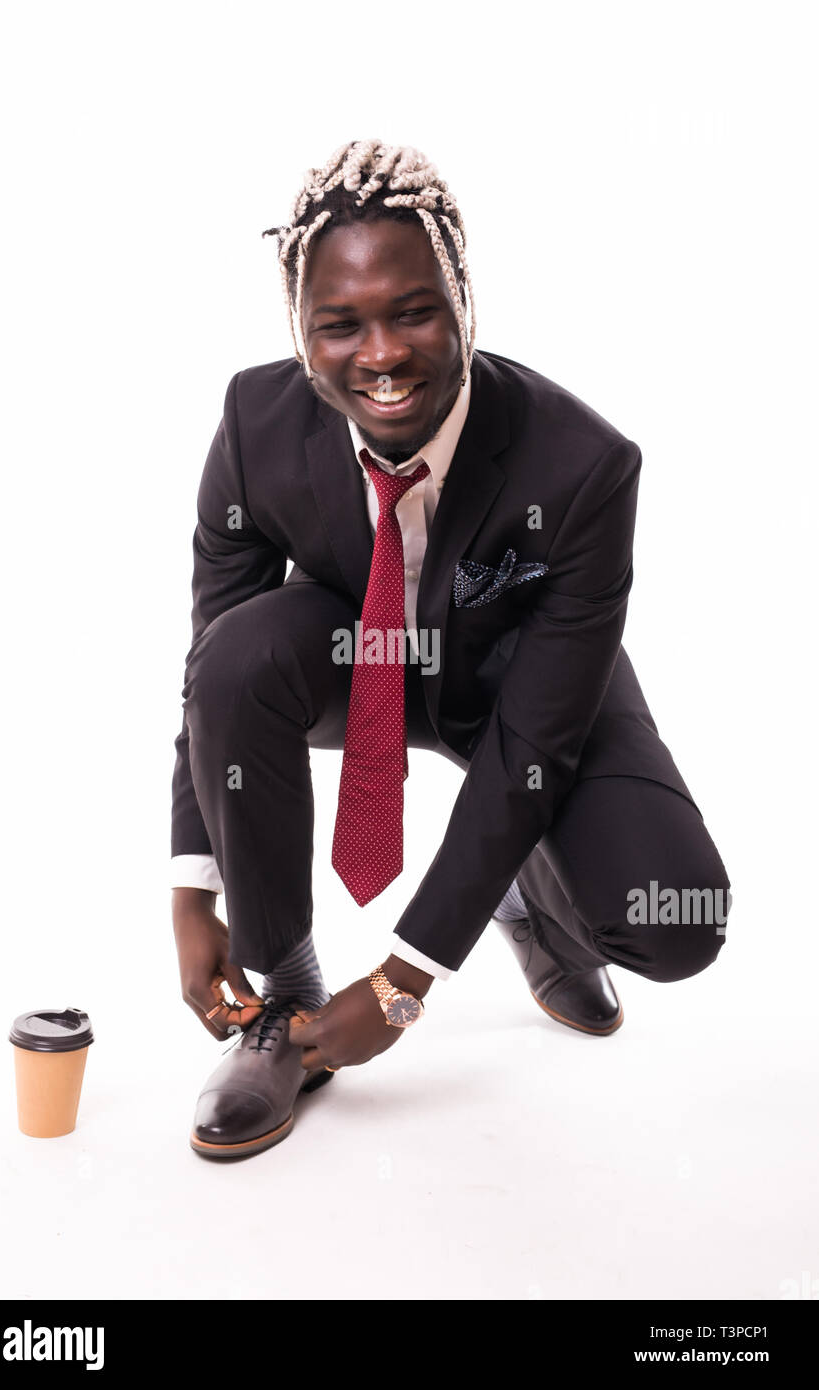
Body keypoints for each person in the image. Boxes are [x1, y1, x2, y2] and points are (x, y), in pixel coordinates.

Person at [170, 138, 731, 1160]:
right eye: (339, 324)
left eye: (412, 309)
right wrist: (189, 887)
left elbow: (529, 749)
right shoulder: (256, 424)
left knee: (675, 921)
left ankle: (522, 897)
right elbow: (207, 676)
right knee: (242, 654)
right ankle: (280, 1010)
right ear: (299, 335)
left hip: (520, 684)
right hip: (352, 660)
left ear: (463, 291)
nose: (379, 353)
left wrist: (401, 983)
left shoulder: (585, 466)